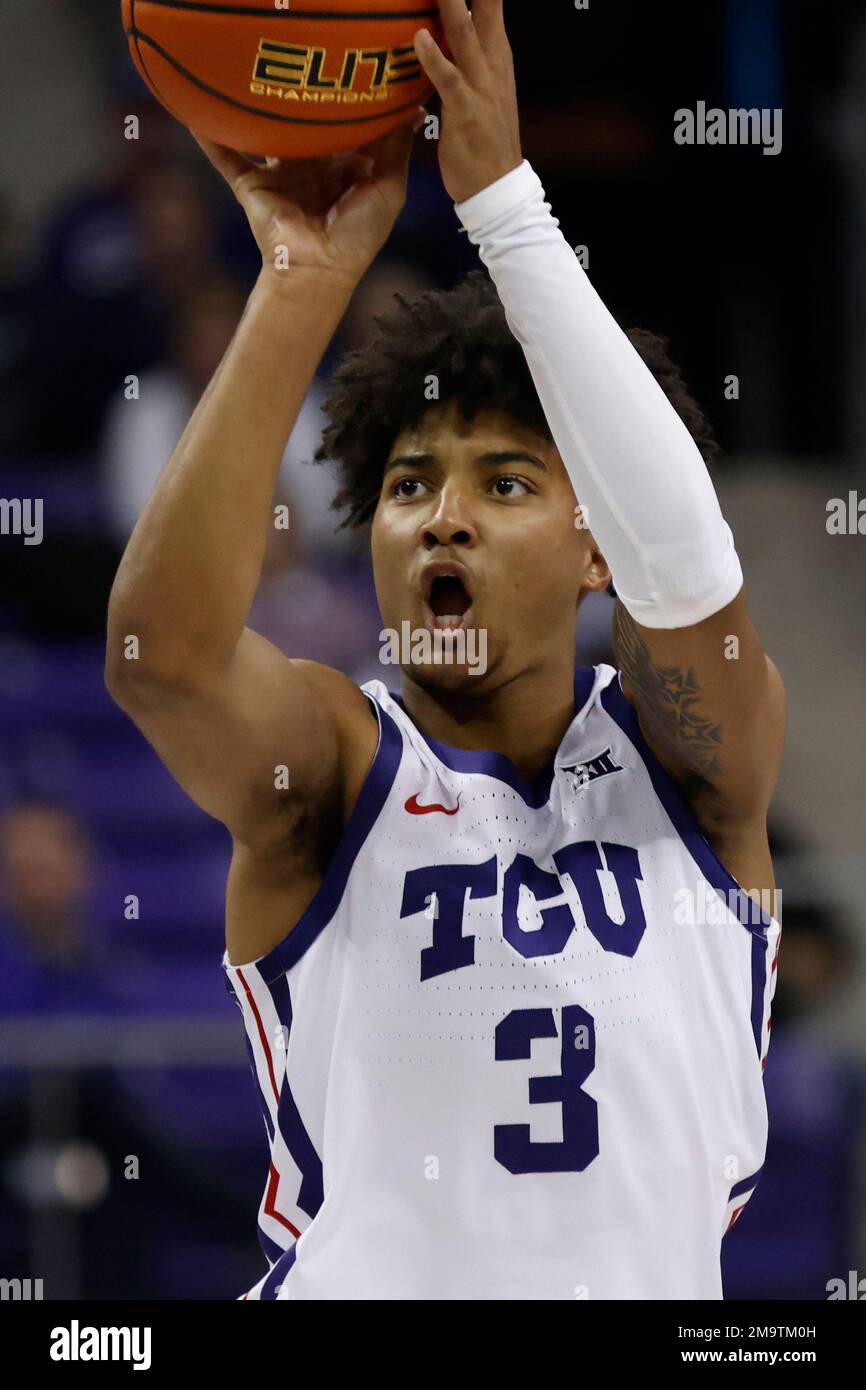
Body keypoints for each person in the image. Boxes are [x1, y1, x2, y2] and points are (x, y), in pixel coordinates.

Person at [105, 0, 784, 1300]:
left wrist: (507, 210)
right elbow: (161, 660)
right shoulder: (334, 762)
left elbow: (688, 568)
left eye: (506, 482)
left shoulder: (696, 765)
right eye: (408, 482)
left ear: (597, 552)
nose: (442, 514)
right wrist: (302, 281)